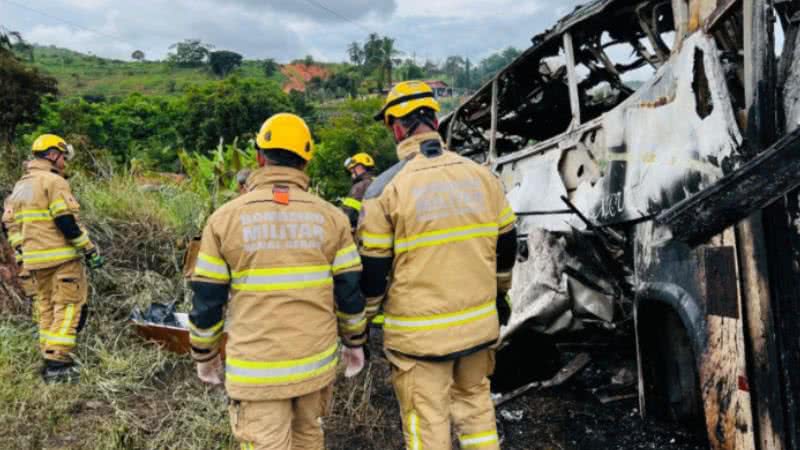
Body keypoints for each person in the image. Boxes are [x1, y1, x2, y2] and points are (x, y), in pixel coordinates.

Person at [188, 113, 368, 450]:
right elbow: (349, 294)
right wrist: (355, 343)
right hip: (315, 366)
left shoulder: (224, 220)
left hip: (257, 373)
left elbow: (207, 301)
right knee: (308, 438)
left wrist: (205, 355)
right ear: (306, 161)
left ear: (259, 157)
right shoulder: (333, 219)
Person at [358, 81, 518, 449]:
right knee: (477, 411)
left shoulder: (384, 190)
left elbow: (374, 271)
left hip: (419, 339)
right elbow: (507, 243)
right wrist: (500, 294)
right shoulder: (482, 176)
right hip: (478, 327)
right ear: (434, 120)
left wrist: (362, 323)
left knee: (427, 423)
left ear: (397, 127)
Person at [2, 134, 104, 383]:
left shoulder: (21, 185)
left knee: (45, 307)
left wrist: (22, 252)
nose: (65, 162)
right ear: (51, 155)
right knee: (69, 306)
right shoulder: (53, 181)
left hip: (34, 262)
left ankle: (49, 356)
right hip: (61, 259)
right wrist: (89, 249)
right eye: (63, 157)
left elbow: (10, 225)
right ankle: (59, 364)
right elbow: (65, 221)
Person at [341, 153, 375, 230]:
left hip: (364, 233)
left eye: (353, 168)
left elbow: (348, 214)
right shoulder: (377, 181)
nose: (351, 171)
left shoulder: (359, 187)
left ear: (361, 167)